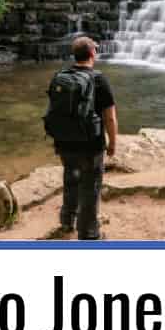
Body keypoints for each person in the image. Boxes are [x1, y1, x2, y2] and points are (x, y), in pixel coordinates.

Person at [44, 35, 118, 241]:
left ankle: (67, 220)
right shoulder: (98, 79)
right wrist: (113, 143)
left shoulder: (60, 76)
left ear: (74, 55)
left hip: (64, 141)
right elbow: (110, 118)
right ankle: (89, 234)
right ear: (93, 53)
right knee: (90, 187)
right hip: (90, 144)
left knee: (71, 178)